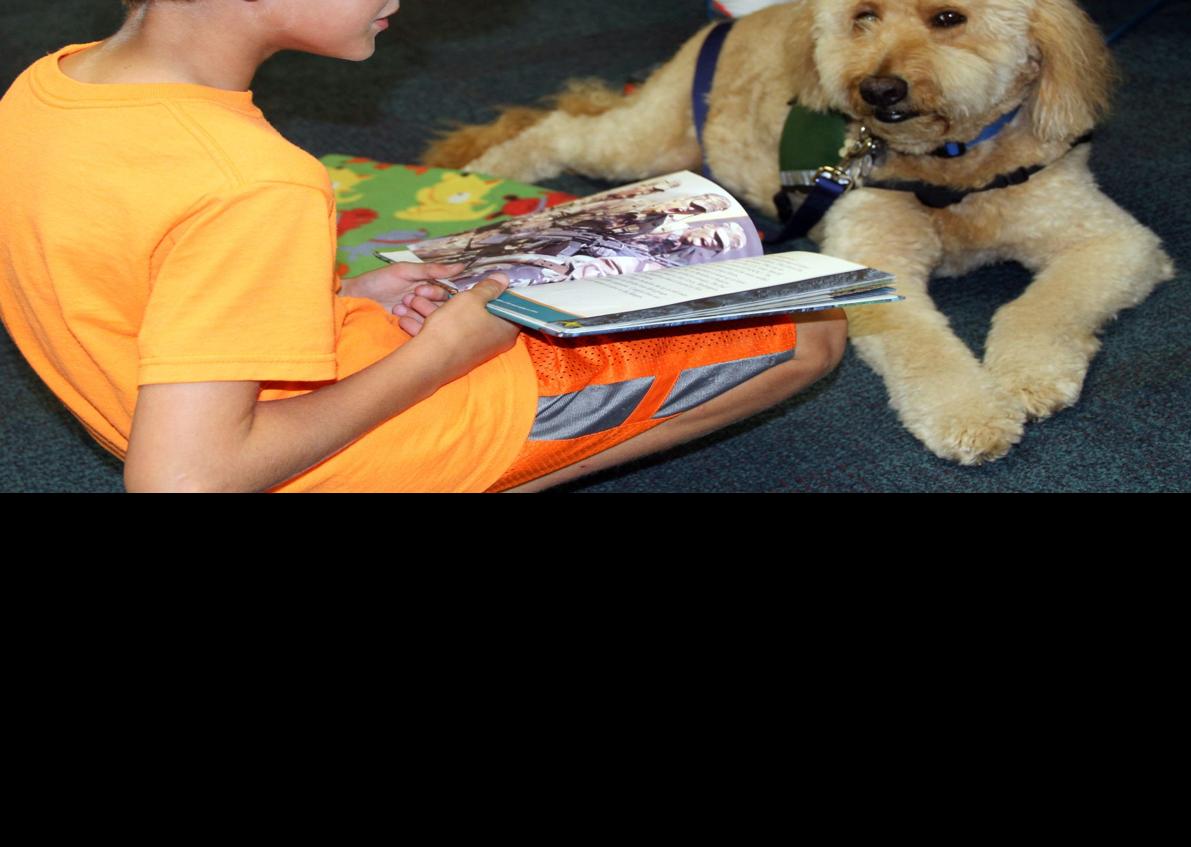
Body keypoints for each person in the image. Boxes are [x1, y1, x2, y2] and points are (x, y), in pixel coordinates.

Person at [0, 0, 846, 492]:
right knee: (811, 329)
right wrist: (447, 351)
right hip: (334, 456)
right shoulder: (256, 182)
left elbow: (128, 281)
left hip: (197, 402)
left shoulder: (47, 85)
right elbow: (184, 480)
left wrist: (343, 298)